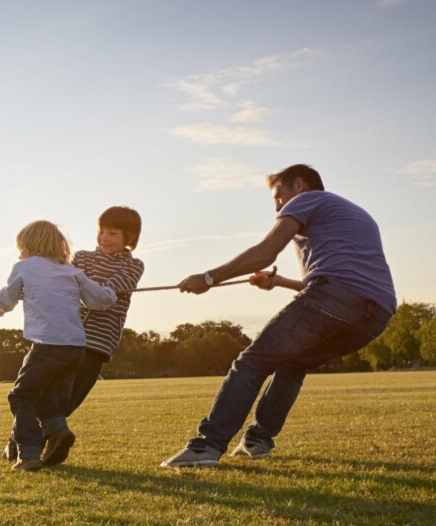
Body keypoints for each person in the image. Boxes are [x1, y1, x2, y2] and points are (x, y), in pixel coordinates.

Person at [162, 164, 395, 468]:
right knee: (293, 362)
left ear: (298, 185)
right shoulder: (353, 214)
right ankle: (257, 441)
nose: (277, 205)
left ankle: (207, 446)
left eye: (277, 196)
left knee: (252, 361)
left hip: (335, 298)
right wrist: (279, 282)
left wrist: (208, 278)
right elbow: (343, 287)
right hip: (376, 315)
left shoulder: (306, 200)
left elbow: (266, 252)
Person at [1, 207, 145, 462]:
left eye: (112, 233)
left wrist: (81, 287)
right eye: (101, 232)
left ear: (130, 237)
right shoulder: (83, 258)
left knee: (66, 402)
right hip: (65, 335)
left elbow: (106, 294)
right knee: (42, 392)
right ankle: (19, 445)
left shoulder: (133, 265)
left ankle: (44, 441)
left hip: (98, 343)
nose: (104, 239)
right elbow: (59, 280)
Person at [0, 220, 117, 472]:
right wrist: (113, 292)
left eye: (20, 248)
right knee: (43, 394)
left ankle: (28, 453)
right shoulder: (69, 270)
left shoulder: (24, 267)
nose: (19, 254)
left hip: (47, 347)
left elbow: (6, 300)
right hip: (75, 349)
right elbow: (100, 299)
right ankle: (57, 430)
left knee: (20, 396)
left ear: (28, 248)